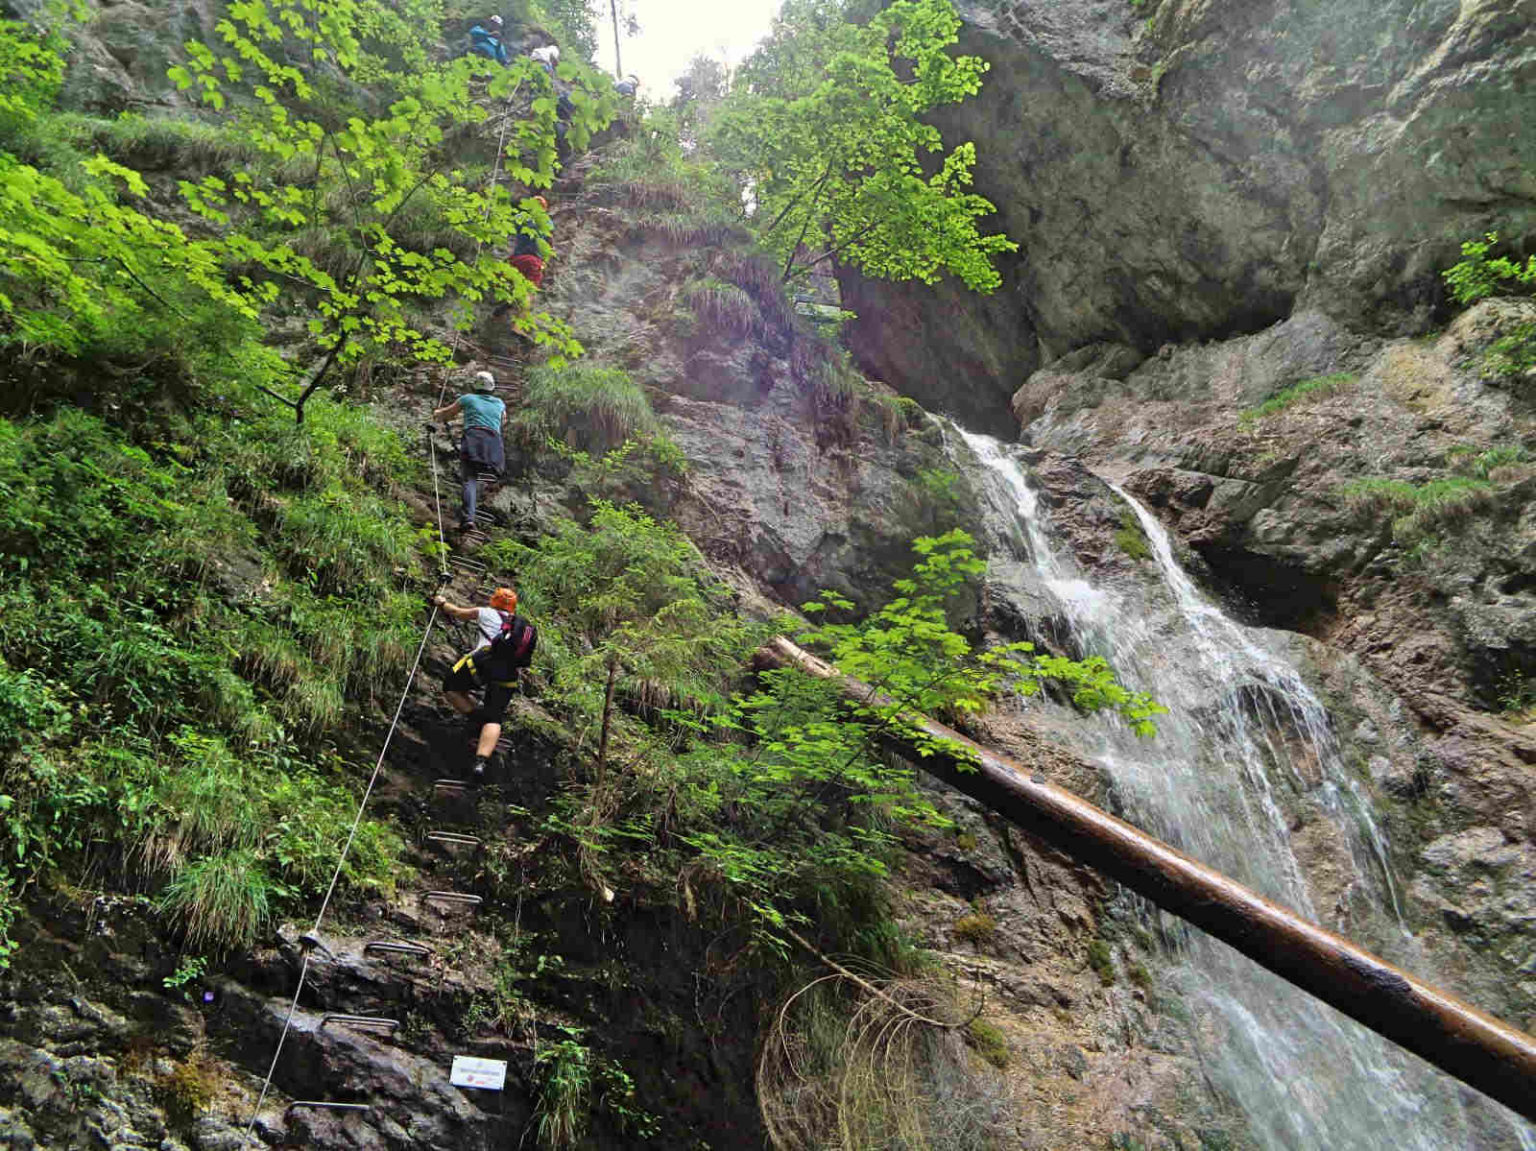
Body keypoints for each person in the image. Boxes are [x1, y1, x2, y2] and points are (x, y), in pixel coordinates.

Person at [433, 587, 538, 778]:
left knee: (451, 687)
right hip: (508, 672)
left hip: (481, 664)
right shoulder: (520, 626)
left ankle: (475, 719)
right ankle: (480, 763)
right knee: (495, 716)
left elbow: (456, 612)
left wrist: (441, 602)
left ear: (493, 600)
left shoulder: (485, 612)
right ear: (513, 607)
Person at [432, 370, 505, 533]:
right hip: (493, 442)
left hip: (474, 439)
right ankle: (472, 508)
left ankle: (468, 518)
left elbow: (447, 414)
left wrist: (437, 413)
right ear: (492, 387)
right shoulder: (500, 403)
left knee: (469, 479)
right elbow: (503, 420)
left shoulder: (467, 399)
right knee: (483, 475)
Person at [508, 195, 549, 289]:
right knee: (530, 285)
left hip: (521, 258)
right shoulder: (544, 222)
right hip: (530, 259)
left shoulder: (523, 218)